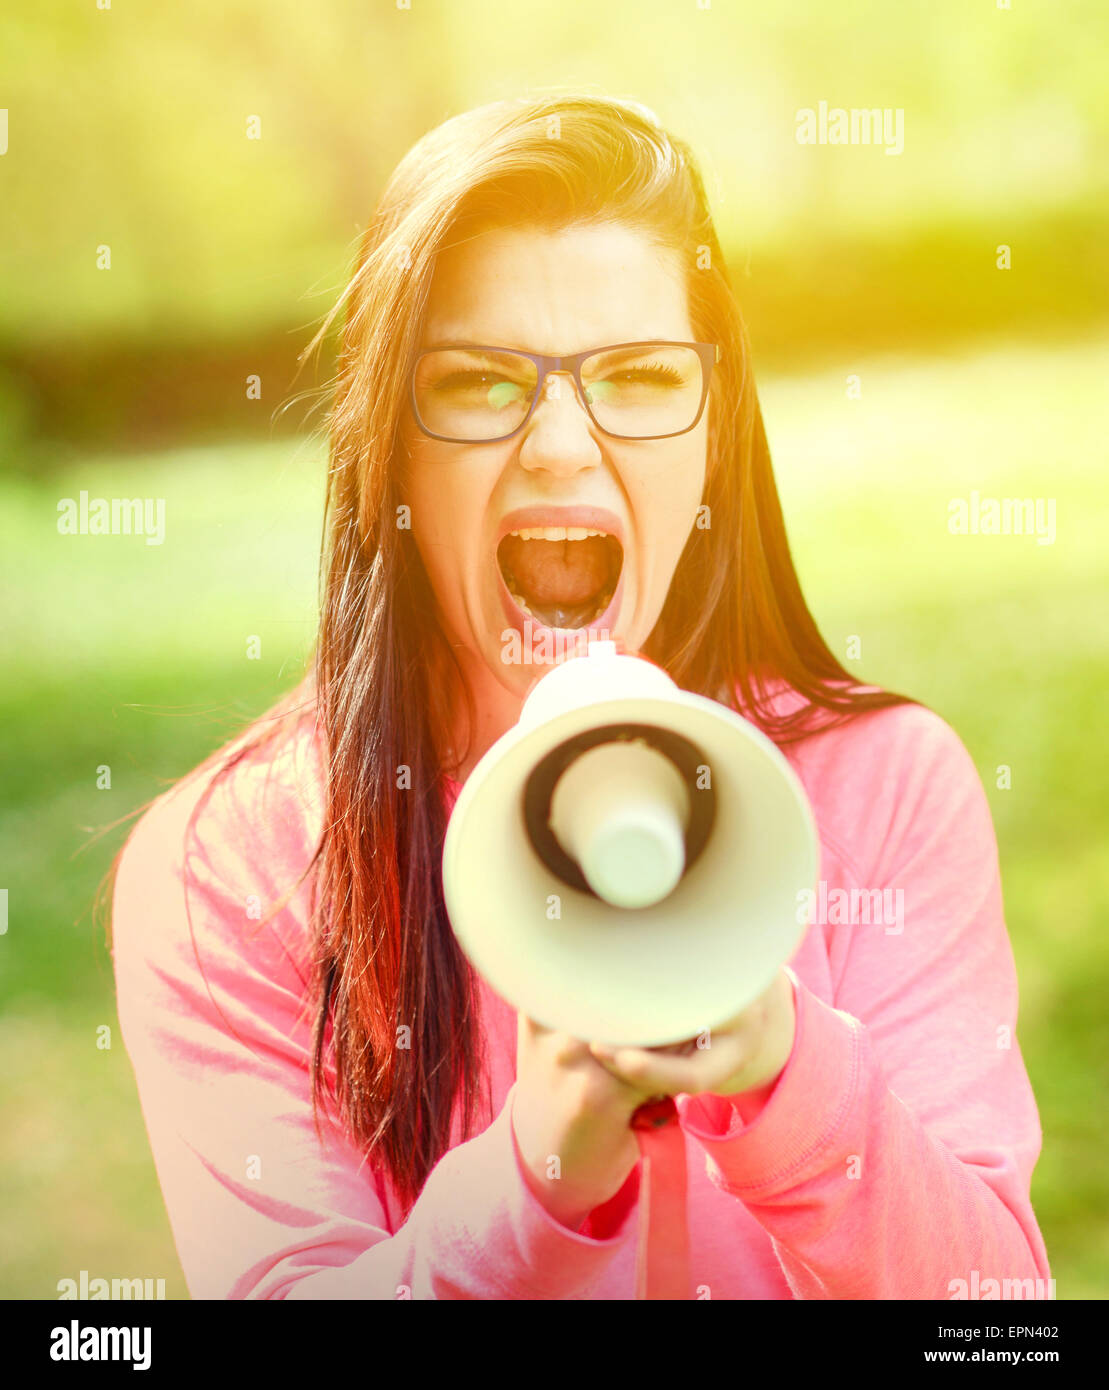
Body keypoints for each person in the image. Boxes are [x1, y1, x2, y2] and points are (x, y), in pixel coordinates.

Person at [109, 92, 1051, 1300]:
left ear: (713, 437)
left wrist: (785, 1075)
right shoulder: (224, 868)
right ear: (387, 446)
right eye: (480, 383)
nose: (559, 443)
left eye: (641, 375)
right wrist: (531, 1188)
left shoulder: (883, 786)